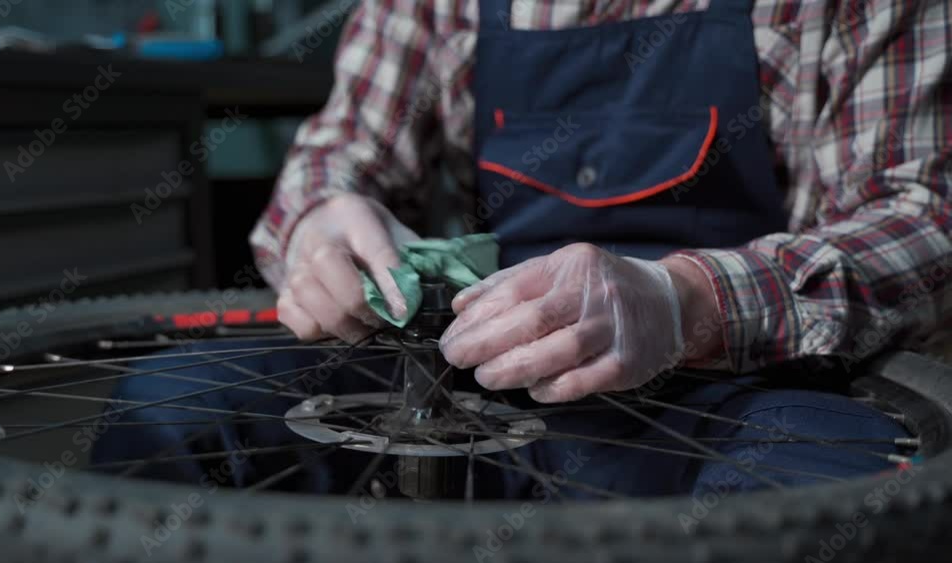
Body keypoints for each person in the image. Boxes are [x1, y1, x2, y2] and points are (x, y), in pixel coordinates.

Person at [94, 0, 949, 497]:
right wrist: (322, 217)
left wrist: (679, 298)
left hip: (744, 383)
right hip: (476, 377)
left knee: (831, 493)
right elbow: (342, 148)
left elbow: (922, 215)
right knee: (172, 409)